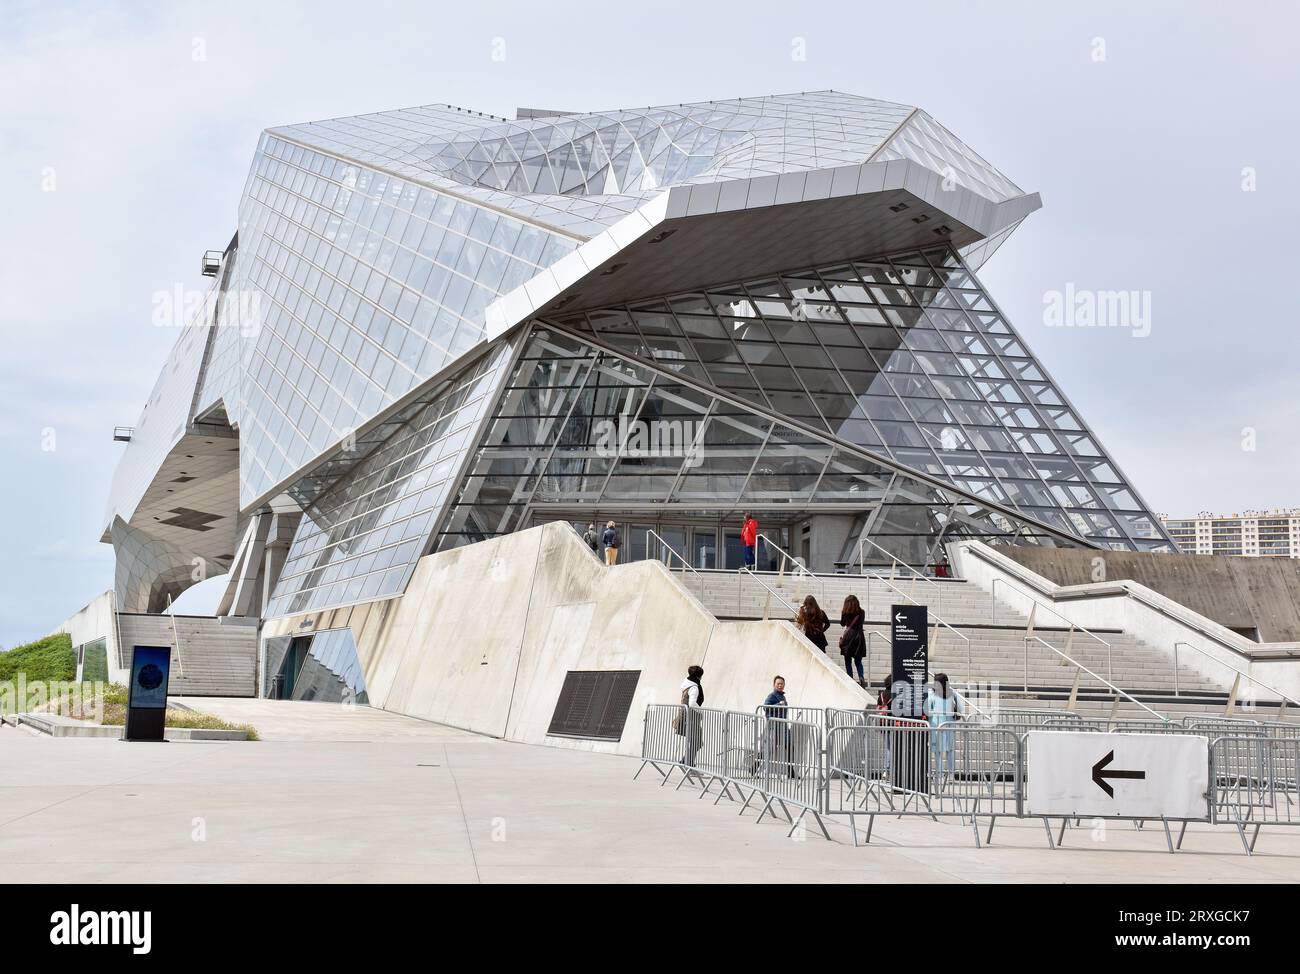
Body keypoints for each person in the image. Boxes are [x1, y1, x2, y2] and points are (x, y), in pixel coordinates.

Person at [925, 672, 965, 783]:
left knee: (937, 752)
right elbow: (961, 709)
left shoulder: (932, 695)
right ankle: (951, 775)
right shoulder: (953, 694)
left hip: (935, 726)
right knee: (950, 751)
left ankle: (940, 775)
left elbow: (927, 710)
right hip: (950, 725)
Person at [677, 665, 705, 768]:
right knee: (697, 742)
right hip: (692, 717)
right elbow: (692, 703)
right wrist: (701, 711)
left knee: (694, 741)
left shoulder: (686, 684)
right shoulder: (694, 687)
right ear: (698, 676)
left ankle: (686, 761)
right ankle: (687, 763)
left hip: (687, 716)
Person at [838, 594, 867, 688]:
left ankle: (850, 679)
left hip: (848, 638)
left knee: (848, 660)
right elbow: (861, 624)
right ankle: (861, 677)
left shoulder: (845, 612)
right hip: (859, 637)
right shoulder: (861, 612)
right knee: (858, 661)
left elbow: (842, 624)